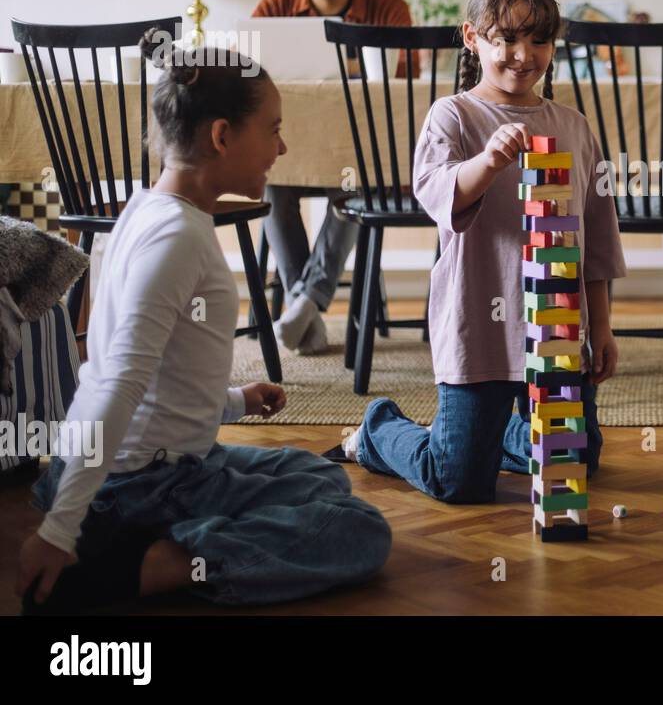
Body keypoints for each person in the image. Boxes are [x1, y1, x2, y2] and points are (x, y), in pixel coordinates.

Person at [14, 42, 391, 613]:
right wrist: (57, 533)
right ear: (221, 136)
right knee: (361, 530)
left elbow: (160, 375)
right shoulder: (178, 237)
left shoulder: (146, 209)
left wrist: (235, 401)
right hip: (140, 484)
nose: (282, 147)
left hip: (122, 467)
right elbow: (119, 382)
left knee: (319, 478)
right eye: (273, 130)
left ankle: (120, 531)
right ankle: (151, 567)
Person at [340, 0, 626, 502]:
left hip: (559, 333)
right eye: (507, 39)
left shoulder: (574, 126)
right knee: (460, 482)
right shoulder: (452, 115)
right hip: (481, 325)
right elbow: (436, 193)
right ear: (473, 38)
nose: (524, 54)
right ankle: (380, 429)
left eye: (539, 39)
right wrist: (489, 160)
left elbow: (598, 237)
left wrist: (602, 326)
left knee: (576, 458)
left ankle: (487, 438)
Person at [252, 0, 413, 355]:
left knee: (355, 179)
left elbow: (407, 84)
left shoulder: (389, 10)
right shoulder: (272, 10)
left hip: (363, 156)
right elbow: (251, 82)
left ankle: (304, 301)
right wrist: (356, 64)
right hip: (290, 152)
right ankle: (307, 309)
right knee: (272, 185)